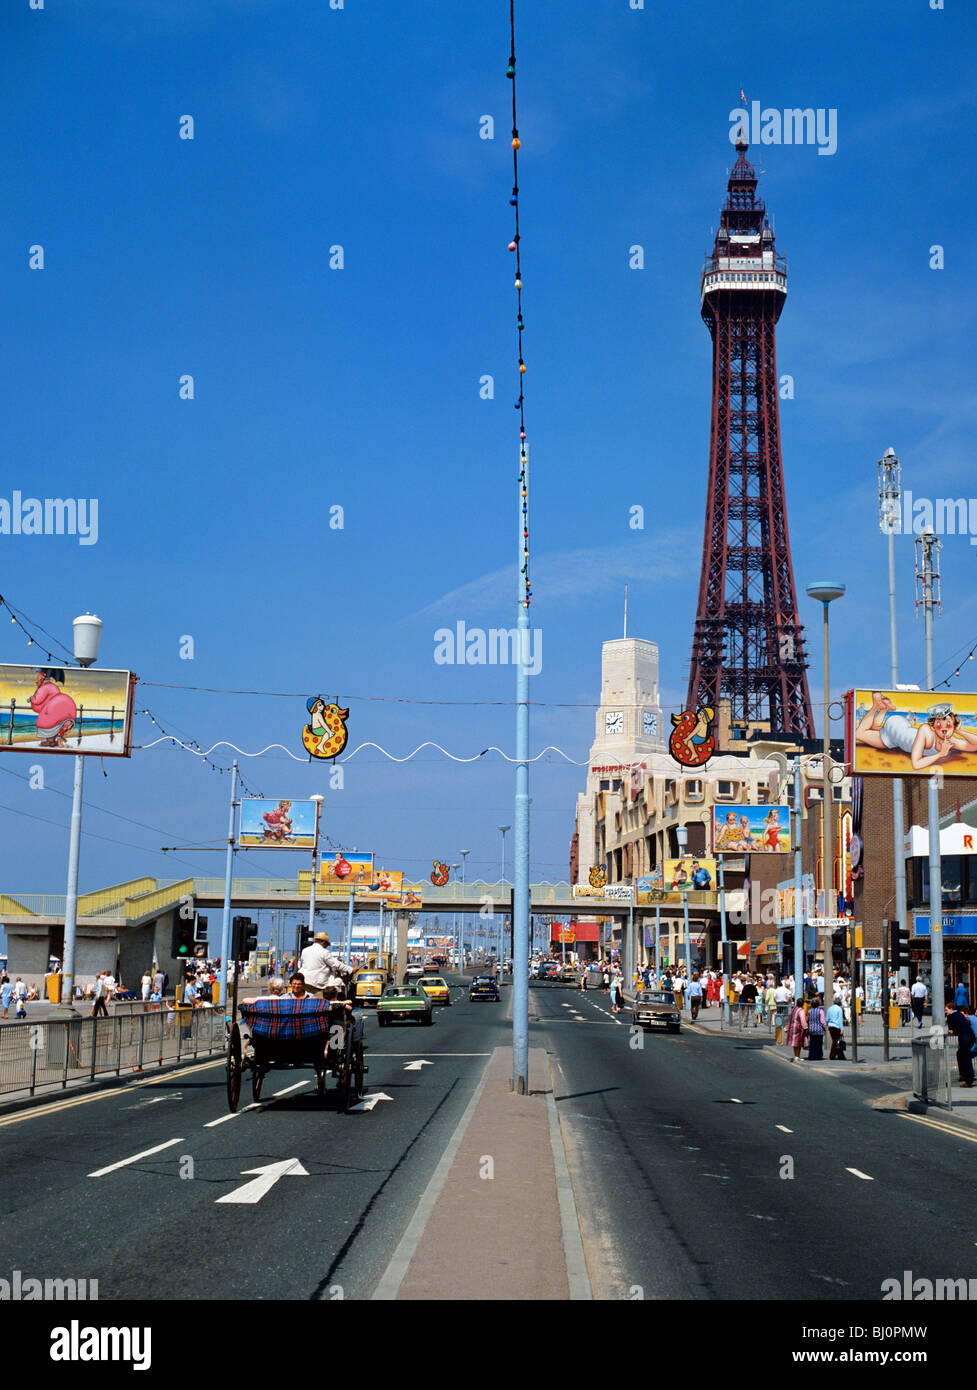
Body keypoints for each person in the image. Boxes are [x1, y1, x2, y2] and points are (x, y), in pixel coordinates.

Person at [299, 932, 351, 998]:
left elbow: (300, 964)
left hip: (305, 981)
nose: (326, 947)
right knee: (319, 1004)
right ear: (323, 942)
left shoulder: (305, 950)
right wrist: (350, 969)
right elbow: (336, 964)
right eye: (327, 944)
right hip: (317, 984)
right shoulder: (324, 952)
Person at [946, 1003, 975, 1087]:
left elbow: (951, 1030)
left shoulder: (950, 1017)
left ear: (951, 1009)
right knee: (960, 1054)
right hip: (970, 1036)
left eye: (946, 1009)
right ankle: (963, 1075)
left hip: (964, 1039)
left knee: (966, 1058)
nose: (945, 1011)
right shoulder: (959, 1014)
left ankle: (969, 1080)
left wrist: (951, 1031)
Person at [785, 998, 808, 1062]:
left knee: (794, 1043)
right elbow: (803, 1020)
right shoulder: (801, 1010)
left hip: (792, 1026)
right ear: (803, 1004)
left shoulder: (794, 1009)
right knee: (798, 1043)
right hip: (798, 1028)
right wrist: (806, 1027)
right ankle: (798, 1056)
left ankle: (796, 1056)